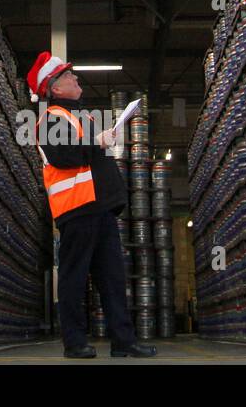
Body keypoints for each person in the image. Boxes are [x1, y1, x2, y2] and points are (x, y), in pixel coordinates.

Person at [27, 51, 158, 359]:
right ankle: (74, 342)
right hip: (76, 209)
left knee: (113, 278)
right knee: (74, 277)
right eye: (69, 75)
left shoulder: (80, 117)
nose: (75, 78)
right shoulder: (52, 118)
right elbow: (65, 156)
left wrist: (103, 139)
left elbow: (87, 155)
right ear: (56, 88)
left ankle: (123, 341)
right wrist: (99, 142)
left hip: (98, 209)